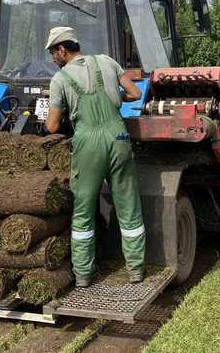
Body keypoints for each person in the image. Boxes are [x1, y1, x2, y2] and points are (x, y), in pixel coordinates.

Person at [44, 26, 146, 287]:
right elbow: (135, 94)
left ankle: (83, 275)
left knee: (83, 210)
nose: (53, 59)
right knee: (128, 204)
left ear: (63, 50)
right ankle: (136, 269)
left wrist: (61, 111)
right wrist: (114, 96)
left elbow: (53, 127)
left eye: (53, 53)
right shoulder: (106, 62)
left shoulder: (60, 80)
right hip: (118, 136)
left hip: (88, 141)